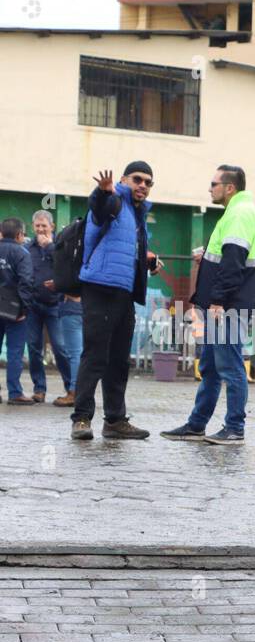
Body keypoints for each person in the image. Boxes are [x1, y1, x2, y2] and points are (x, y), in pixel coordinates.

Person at [162, 165, 255, 445]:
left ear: (229, 188)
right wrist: (206, 258)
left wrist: (218, 299)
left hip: (227, 307)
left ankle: (235, 429)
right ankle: (197, 425)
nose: (210, 188)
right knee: (209, 366)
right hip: (223, 306)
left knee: (230, 367)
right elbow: (227, 258)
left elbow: (233, 261)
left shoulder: (240, 214)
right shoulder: (235, 213)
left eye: (213, 184)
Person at [71, 162, 161, 441]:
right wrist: (103, 192)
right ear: (124, 180)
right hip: (100, 289)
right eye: (138, 179)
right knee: (95, 356)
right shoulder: (114, 201)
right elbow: (98, 211)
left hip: (124, 293)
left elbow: (123, 248)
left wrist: (148, 261)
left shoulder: (137, 213)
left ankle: (115, 421)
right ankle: (82, 419)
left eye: (148, 182)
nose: (143, 185)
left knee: (119, 361)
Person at [26, 211, 69, 404]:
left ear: (52, 227)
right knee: (34, 348)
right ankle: (39, 389)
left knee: (60, 348)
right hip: (33, 306)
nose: (41, 229)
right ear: (33, 227)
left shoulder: (59, 246)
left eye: (44, 226)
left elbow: (67, 265)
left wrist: (49, 246)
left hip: (55, 306)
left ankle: (71, 388)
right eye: (38, 226)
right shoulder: (28, 248)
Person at [0, 217, 37, 405]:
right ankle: (14, 393)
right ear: (19, 235)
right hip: (14, 309)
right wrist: (24, 308)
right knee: (15, 351)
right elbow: (26, 281)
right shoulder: (21, 253)